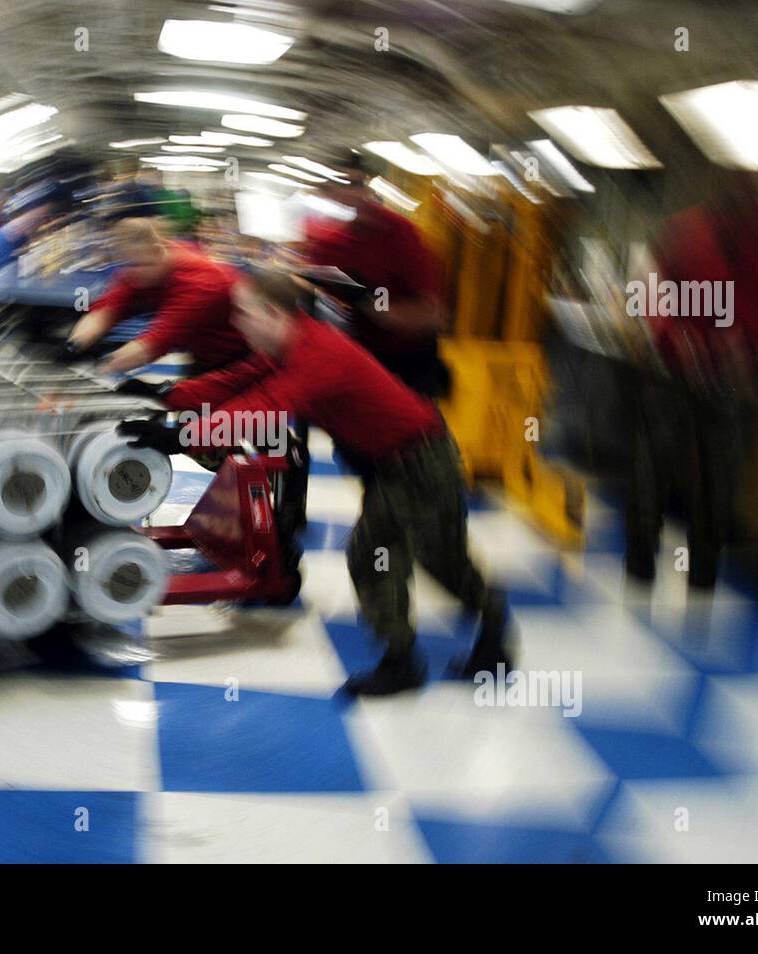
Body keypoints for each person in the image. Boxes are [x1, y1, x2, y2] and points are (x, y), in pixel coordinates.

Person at [117, 267, 513, 696]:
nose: (237, 323)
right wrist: (167, 394)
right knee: (441, 556)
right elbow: (239, 382)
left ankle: (404, 665)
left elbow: (261, 407)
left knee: (376, 553)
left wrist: (179, 435)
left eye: (243, 314)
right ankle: (489, 639)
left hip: (419, 462)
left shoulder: (316, 354)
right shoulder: (293, 341)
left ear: (273, 312)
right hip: (403, 461)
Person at [624, 172, 758, 586]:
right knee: (705, 475)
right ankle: (681, 568)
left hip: (705, 373)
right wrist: (677, 336)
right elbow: (649, 285)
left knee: (674, 469)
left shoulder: (705, 232)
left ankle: (655, 564)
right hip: (689, 369)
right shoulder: (704, 233)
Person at [303, 154, 449, 397]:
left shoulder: (400, 235)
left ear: (367, 186)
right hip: (361, 358)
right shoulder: (327, 242)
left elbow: (434, 315)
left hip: (408, 364)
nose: (348, 196)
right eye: (336, 186)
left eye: (356, 185)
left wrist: (374, 305)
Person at [66, 217, 247, 375]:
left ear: (158, 252)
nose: (128, 274)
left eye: (136, 266)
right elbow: (107, 310)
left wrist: (92, 370)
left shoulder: (201, 283)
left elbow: (151, 346)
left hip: (240, 362)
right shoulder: (143, 261)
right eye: (124, 265)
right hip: (203, 353)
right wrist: (73, 347)